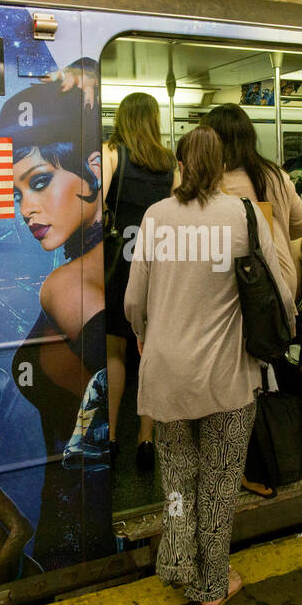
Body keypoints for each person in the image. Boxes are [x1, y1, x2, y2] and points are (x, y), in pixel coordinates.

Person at [124, 125, 294, 605]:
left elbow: (134, 299)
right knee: (219, 483)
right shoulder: (241, 214)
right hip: (226, 373)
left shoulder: (156, 217)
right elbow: (276, 287)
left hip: (167, 372)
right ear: (221, 167)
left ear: (179, 164)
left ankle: (180, 561)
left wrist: (144, 333)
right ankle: (212, 585)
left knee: (178, 478)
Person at [0, 79, 111, 570]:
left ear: (94, 171)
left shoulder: (66, 285)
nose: (27, 208)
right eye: (18, 191)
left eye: (40, 181)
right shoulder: (115, 254)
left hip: (74, 522)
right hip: (89, 509)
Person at [205, 103, 302, 497]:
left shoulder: (215, 183)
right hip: (282, 287)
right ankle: (273, 454)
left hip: (241, 294)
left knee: (239, 382)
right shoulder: (275, 176)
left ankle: (250, 464)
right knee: (266, 373)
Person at [101, 92, 177, 470]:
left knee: (114, 351)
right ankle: (147, 440)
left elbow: (95, 203)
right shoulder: (169, 163)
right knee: (149, 352)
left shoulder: (113, 153)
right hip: (158, 265)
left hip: (120, 264)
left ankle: (111, 437)